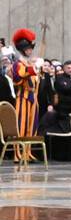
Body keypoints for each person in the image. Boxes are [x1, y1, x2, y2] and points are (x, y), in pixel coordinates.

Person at [8, 28, 41, 159]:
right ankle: (18, 153)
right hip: (23, 97)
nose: (30, 51)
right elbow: (19, 77)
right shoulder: (18, 64)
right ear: (22, 49)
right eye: (28, 49)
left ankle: (27, 152)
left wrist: (38, 69)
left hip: (33, 97)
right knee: (21, 126)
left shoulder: (27, 63)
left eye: (30, 49)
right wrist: (33, 68)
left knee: (31, 127)